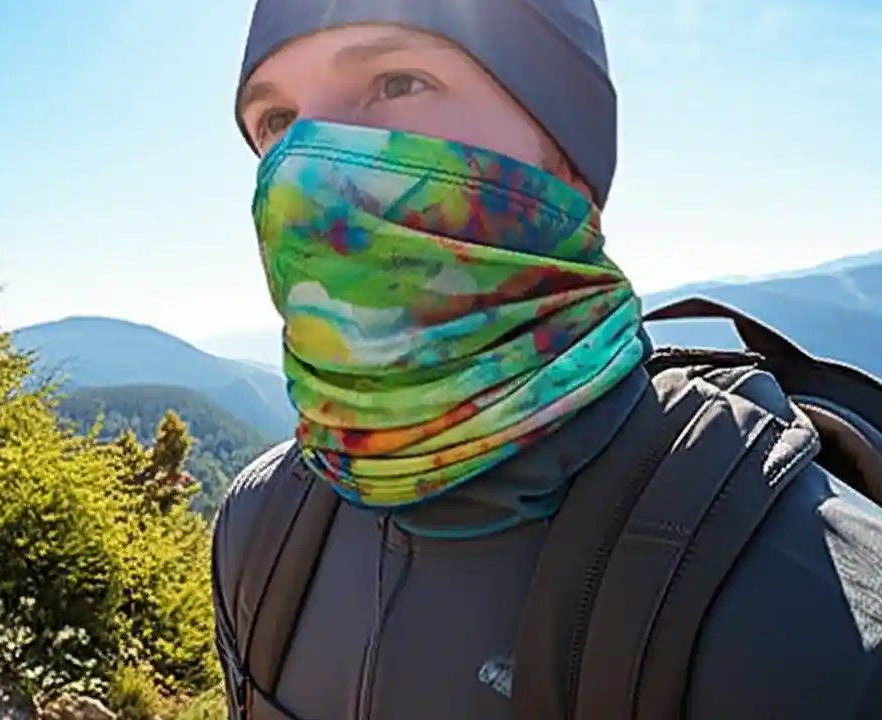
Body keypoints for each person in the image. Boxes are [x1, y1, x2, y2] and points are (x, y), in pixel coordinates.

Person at [210, 1, 882, 719]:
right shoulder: (259, 530)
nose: (305, 171)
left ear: (568, 160)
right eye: (277, 123)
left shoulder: (807, 611)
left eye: (398, 82)